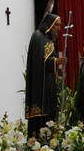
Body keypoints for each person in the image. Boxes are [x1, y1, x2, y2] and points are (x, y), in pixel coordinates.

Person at [25, 11, 63, 139]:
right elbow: (39, 62)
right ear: (50, 24)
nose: (59, 28)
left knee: (50, 115)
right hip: (40, 86)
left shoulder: (48, 40)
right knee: (41, 119)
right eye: (57, 25)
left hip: (49, 85)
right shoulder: (38, 37)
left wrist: (58, 66)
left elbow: (48, 61)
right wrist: (56, 61)